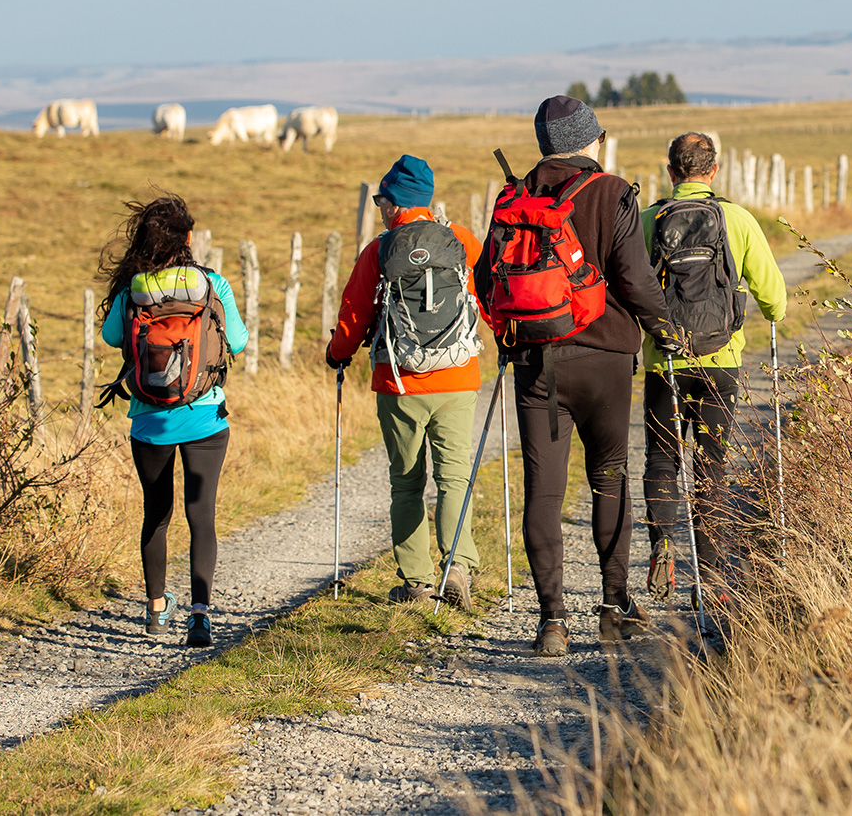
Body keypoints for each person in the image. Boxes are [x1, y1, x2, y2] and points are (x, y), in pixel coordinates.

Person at [476, 95, 678, 657]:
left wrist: (507, 335)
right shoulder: (613, 192)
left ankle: (552, 621)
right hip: (606, 361)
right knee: (609, 478)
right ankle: (614, 608)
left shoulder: (512, 197)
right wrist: (667, 330)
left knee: (544, 489)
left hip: (536, 362)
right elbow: (635, 279)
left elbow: (485, 277)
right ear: (593, 140)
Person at [327, 155, 487, 608]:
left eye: (382, 199)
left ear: (394, 204)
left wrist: (336, 354)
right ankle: (457, 567)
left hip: (399, 384)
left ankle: (416, 582)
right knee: (455, 477)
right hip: (457, 378)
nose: (380, 206)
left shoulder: (378, 251)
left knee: (407, 482)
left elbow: (354, 316)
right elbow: (485, 297)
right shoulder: (461, 240)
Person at [97, 194, 248, 648]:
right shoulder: (212, 284)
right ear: (187, 238)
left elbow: (109, 337)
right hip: (205, 416)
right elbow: (237, 342)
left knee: (156, 515)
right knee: (201, 516)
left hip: (148, 421)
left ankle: (157, 611)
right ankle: (200, 617)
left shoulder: (135, 288)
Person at [641, 132, 786, 602]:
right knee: (711, 465)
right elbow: (776, 300)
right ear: (714, 171)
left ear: (670, 172)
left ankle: (663, 545)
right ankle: (715, 571)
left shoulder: (648, 221)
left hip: (664, 360)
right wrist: (772, 314)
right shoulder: (737, 220)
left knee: (662, 459)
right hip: (720, 361)